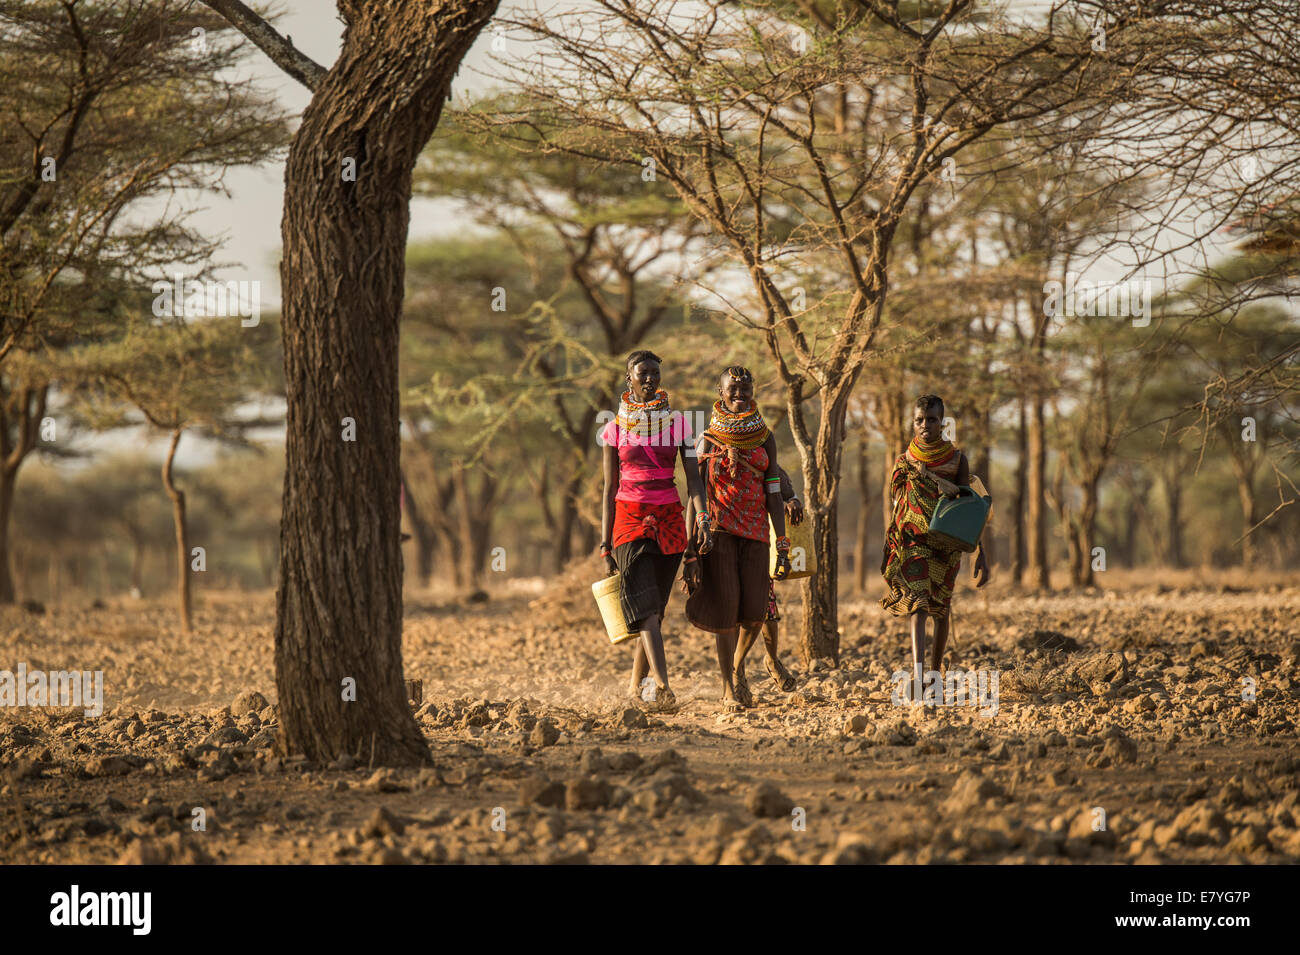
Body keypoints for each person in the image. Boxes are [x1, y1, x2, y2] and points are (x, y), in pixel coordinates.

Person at [601, 350, 712, 713]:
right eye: (642, 373)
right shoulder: (614, 427)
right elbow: (608, 487)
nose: (650, 379)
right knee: (646, 609)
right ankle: (662, 685)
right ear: (628, 378)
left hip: (670, 521)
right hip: (628, 521)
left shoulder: (680, 424)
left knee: (656, 612)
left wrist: (702, 520)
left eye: (654, 374)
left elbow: (695, 482)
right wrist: (605, 542)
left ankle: (635, 690)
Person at [684, 366, 790, 713]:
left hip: (758, 533)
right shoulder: (708, 440)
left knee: (756, 611)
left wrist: (783, 541)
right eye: (733, 388)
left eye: (746, 388)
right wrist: (690, 549)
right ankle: (728, 687)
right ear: (721, 392)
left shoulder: (764, 437)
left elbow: (773, 490)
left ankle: (739, 666)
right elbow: (694, 492)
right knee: (726, 612)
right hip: (718, 533)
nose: (740, 394)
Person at [880, 394, 991, 700]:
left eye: (931, 420)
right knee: (918, 603)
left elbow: (969, 509)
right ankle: (917, 677)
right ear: (912, 422)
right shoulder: (904, 461)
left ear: (943, 422)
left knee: (941, 608)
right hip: (913, 540)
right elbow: (896, 501)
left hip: (946, 543)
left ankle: (934, 676)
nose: (925, 426)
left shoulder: (957, 460)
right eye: (919, 420)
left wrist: (980, 553)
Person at [732, 466, 801, 705]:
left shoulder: (758, 450)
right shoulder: (713, 450)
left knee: (765, 611)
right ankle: (736, 673)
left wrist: (792, 500)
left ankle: (770, 660)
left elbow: (784, 488)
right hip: (726, 541)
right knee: (734, 614)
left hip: (759, 542)